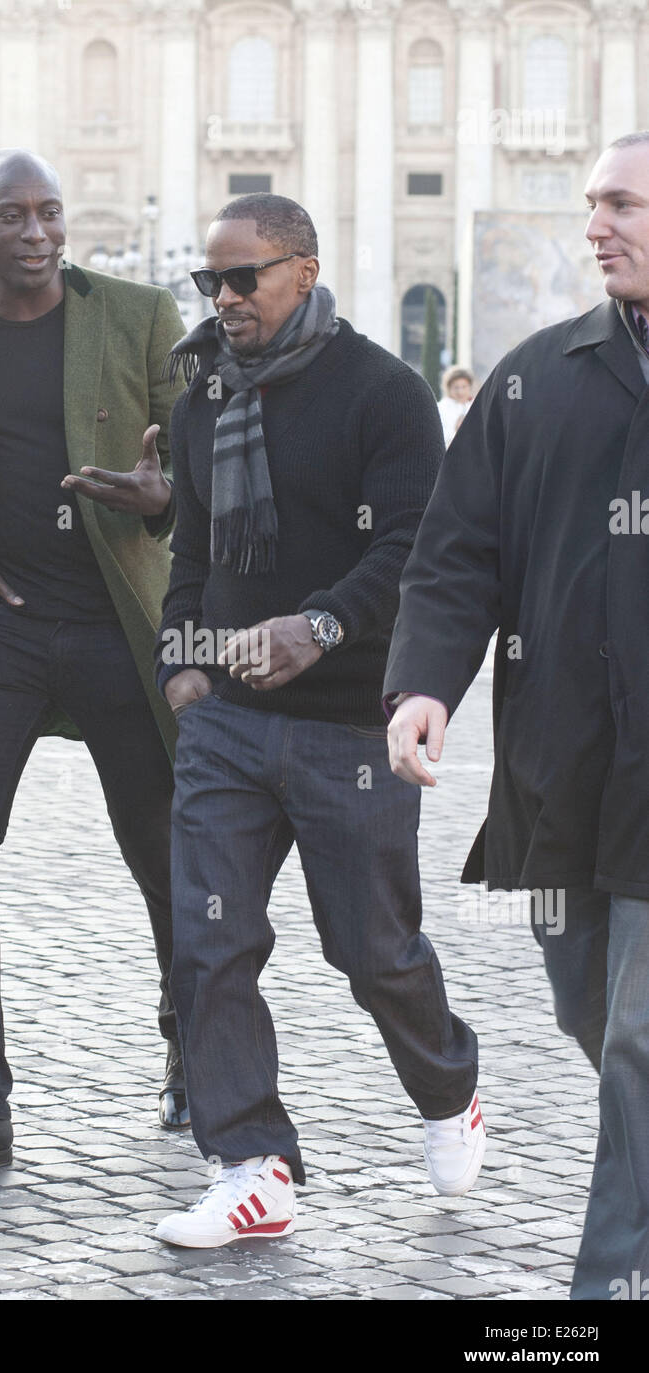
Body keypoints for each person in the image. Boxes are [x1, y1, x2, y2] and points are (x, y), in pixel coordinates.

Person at [151, 193, 484, 1249]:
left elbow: (414, 546)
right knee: (209, 946)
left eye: (243, 278)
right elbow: (193, 546)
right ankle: (251, 1166)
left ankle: (448, 1089)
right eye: (210, 281)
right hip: (226, 725)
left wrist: (322, 625)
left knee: (372, 950)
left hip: (349, 727)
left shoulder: (380, 392)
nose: (224, 298)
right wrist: (179, 660)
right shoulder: (204, 389)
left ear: (302, 270)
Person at [384, 132, 649, 1300]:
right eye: (592, 204)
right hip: (560, 764)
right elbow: (454, 552)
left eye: (622, 205)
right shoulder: (534, 376)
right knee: (580, 999)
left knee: (640, 1035)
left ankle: (599, 1291)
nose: (595, 225)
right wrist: (424, 683)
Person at [0, 148, 189, 1182]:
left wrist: (163, 497)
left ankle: (187, 1034)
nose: (35, 232)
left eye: (49, 213)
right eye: (11, 214)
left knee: (163, 850)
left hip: (116, 620)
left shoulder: (140, 315)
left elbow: (191, 452)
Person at [436, 365, 474, 447]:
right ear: (448, 388)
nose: (460, 392)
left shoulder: (474, 406)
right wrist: (457, 430)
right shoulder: (441, 408)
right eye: (456, 387)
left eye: (464, 387)